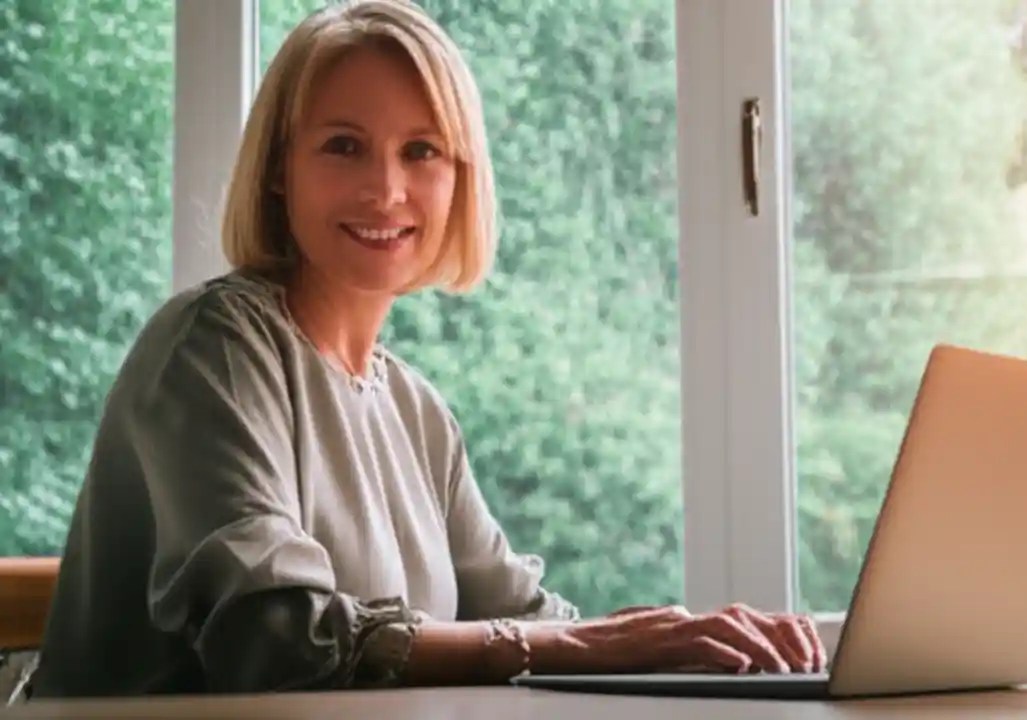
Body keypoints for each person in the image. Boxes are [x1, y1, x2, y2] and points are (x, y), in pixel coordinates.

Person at [30, 0, 824, 697]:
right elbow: (274, 640)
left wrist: (688, 642)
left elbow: (531, 623)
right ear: (279, 169)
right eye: (343, 146)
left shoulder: (415, 409)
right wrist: (577, 646)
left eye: (422, 151)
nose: (386, 189)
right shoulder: (214, 346)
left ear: (459, 180)